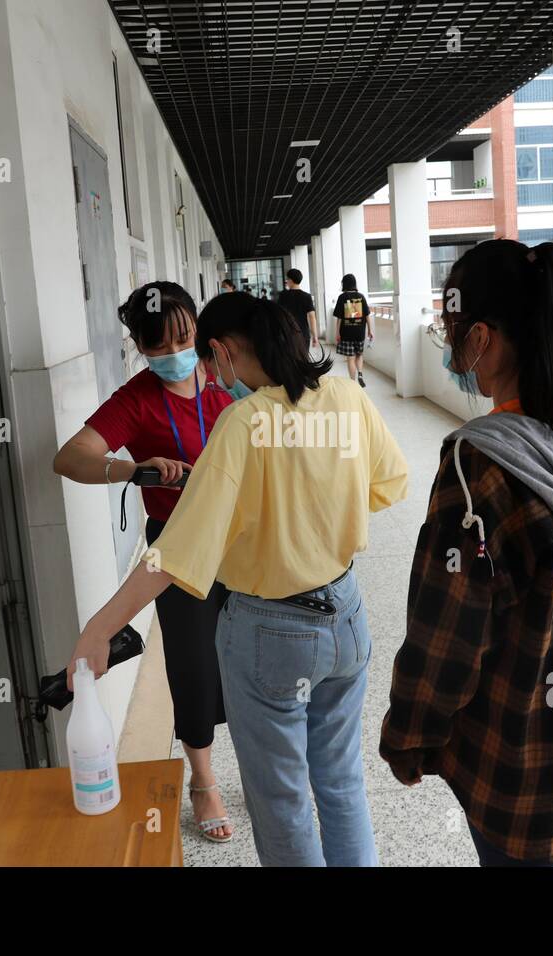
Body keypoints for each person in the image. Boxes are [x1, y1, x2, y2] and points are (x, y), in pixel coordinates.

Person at [65, 291, 408, 866]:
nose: (205, 373)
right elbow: (387, 485)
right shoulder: (348, 397)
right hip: (347, 618)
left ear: (222, 353)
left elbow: (175, 552)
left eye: (204, 359)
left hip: (272, 633)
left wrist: (100, 627)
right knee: (343, 784)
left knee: (281, 799)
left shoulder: (241, 422)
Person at [380, 240, 553, 867]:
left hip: (517, 755)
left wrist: (410, 737)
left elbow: (449, 632)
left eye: (452, 333)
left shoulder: (479, 468)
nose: (450, 350)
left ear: (485, 338)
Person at [52, 281, 236, 844]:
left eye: (184, 337)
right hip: (175, 546)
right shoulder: (137, 398)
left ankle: (261, 755)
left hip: (240, 541)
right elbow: (71, 457)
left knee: (253, 657)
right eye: (159, 346)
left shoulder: (227, 381)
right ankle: (203, 781)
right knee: (192, 662)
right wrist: (131, 470)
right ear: (140, 347)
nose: (176, 351)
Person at [331, 273, 372, 387]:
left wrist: (337, 332)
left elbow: (339, 317)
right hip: (360, 332)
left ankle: (353, 383)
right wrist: (370, 330)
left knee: (350, 358)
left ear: (344, 284)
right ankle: (360, 373)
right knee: (359, 355)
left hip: (347, 333)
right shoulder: (361, 296)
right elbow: (367, 315)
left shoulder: (342, 297)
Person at [277, 268, 318, 352]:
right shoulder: (306, 296)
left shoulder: (283, 296)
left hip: (287, 333)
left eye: (287, 279)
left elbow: (279, 315)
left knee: (289, 361)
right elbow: (312, 317)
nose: (286, 281)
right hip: (303, 334)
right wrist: (315, 336)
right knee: (303, 360)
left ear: (291, 280)